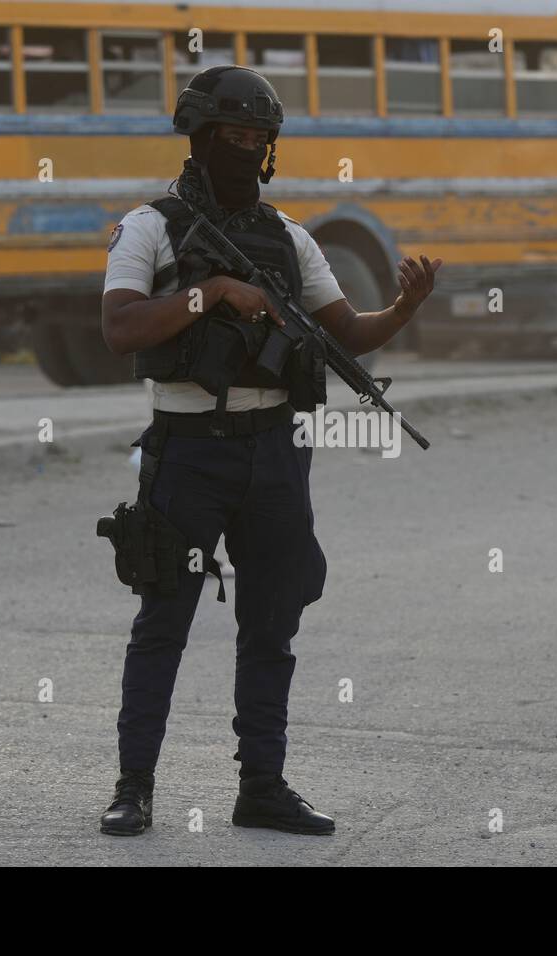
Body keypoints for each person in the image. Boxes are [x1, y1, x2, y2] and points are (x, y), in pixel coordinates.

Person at [98, 66, 441, 836]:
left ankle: (263, 786)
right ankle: (133, 789)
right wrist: (211, 295)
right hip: (187, 450)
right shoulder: (148, 228)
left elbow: (348, 334)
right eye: (233, 137)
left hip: (277, 451)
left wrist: (403, 309)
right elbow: (121, 328)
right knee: (163, 622)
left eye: (259, 139)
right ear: (200, 137)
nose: (247, 151)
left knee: (271, 625)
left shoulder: (289, 238)